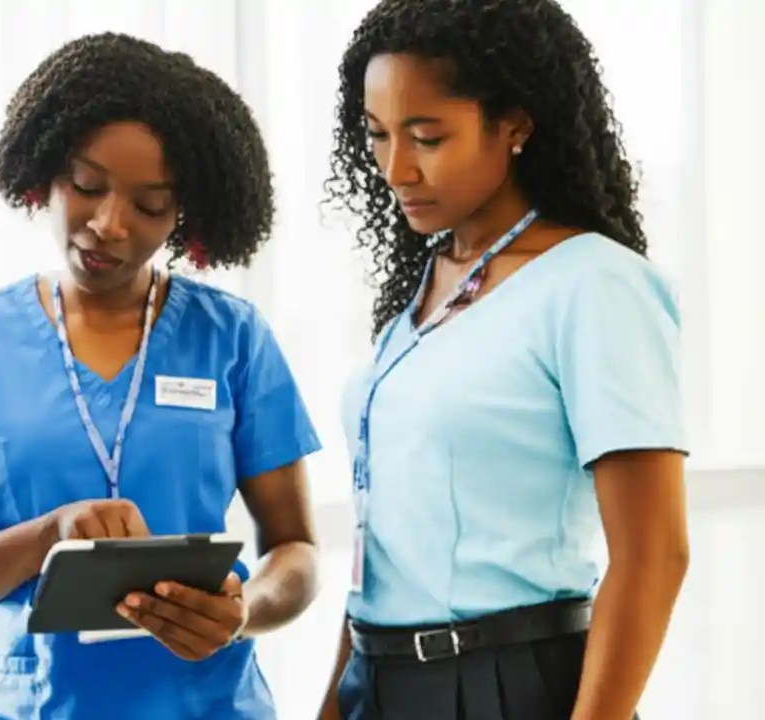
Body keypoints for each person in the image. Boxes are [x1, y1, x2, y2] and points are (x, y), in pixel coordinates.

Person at [0, 32, 321, 720]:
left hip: (207, 705)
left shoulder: (233, 339)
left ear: (188, 215)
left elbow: (296, 548)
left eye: (150, 206)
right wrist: (46, 538)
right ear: (43, 172)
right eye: (86, 186)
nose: (108, 224)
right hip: (27, 706)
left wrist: (247, 608)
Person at [316, 1, 690, 718]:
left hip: (509, 685)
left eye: (426, 136)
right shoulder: (423, 293)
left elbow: (655, 554)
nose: (396, 168)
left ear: (514, 126)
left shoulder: (593, 282)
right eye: (377, 135)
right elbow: (386, 541)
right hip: (380, 679)